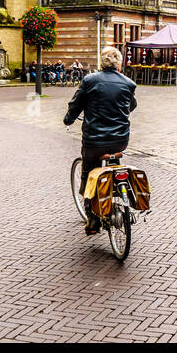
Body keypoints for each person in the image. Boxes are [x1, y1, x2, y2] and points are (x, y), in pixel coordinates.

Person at [63, 46, 137, 235]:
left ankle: (92, 219)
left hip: (95, 140)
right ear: (119, 64)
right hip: (121, 140)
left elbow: (76, 104)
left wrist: (68, 120)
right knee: (113, 162)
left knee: (89, 174)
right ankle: (117, 191)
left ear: (102, 62)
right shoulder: (128, 83)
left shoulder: (90, 80)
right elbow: (131, 106)